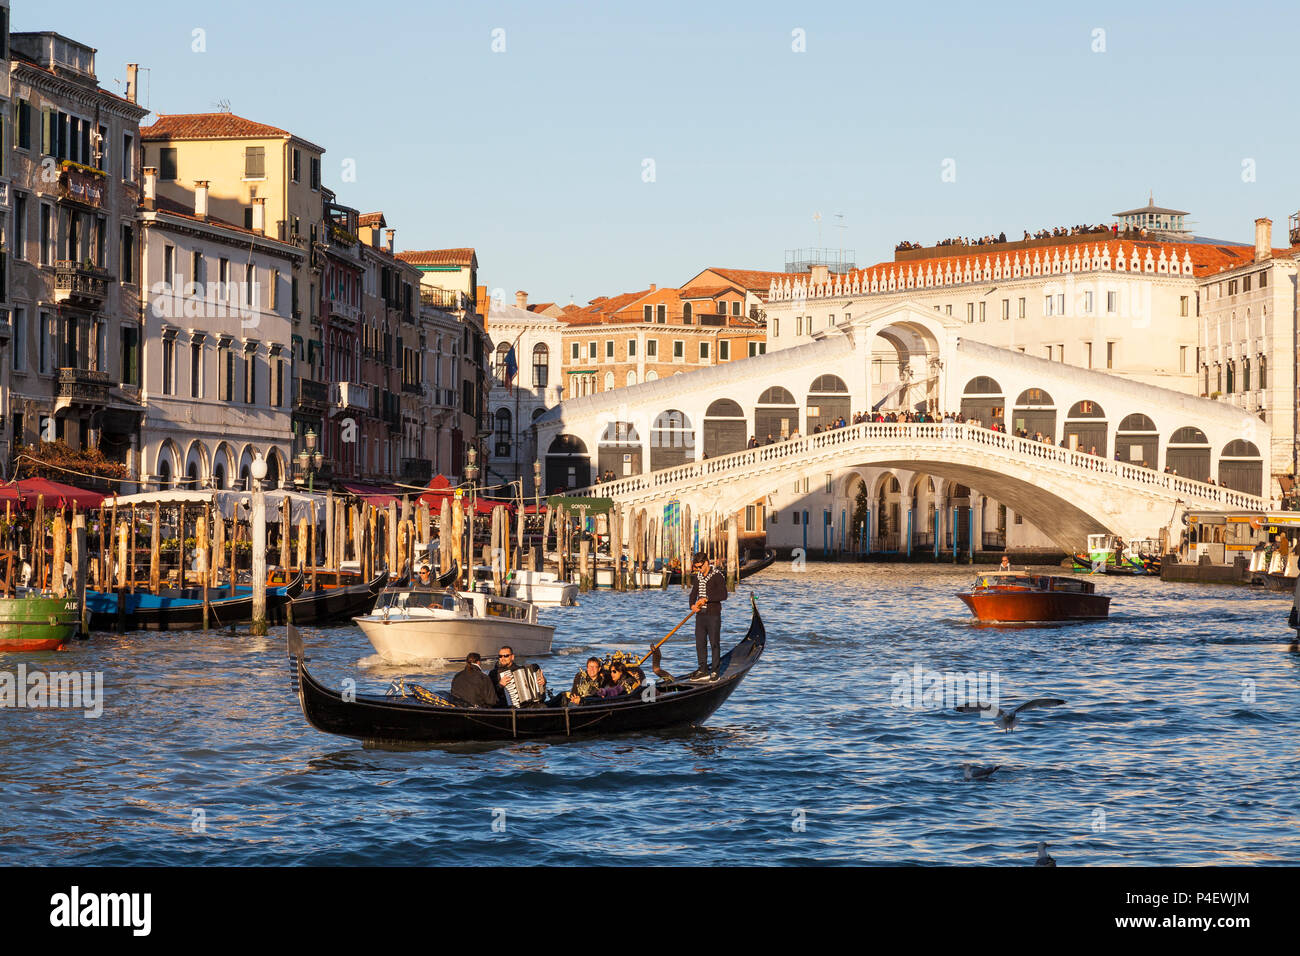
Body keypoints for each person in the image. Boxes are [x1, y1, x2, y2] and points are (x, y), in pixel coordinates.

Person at [689, 551, 727, 681]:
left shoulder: (717, 575)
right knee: (700, 643)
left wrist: (707, 599)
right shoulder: (698, 576)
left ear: (706, 563)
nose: (699, 569)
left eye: (700, 566)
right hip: (700, 615)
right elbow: (693, 594)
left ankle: (715, 671)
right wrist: (692, 606)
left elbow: (723, 595)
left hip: (713, 615)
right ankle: (703, 669)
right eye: (697, 567)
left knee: (714, 643)